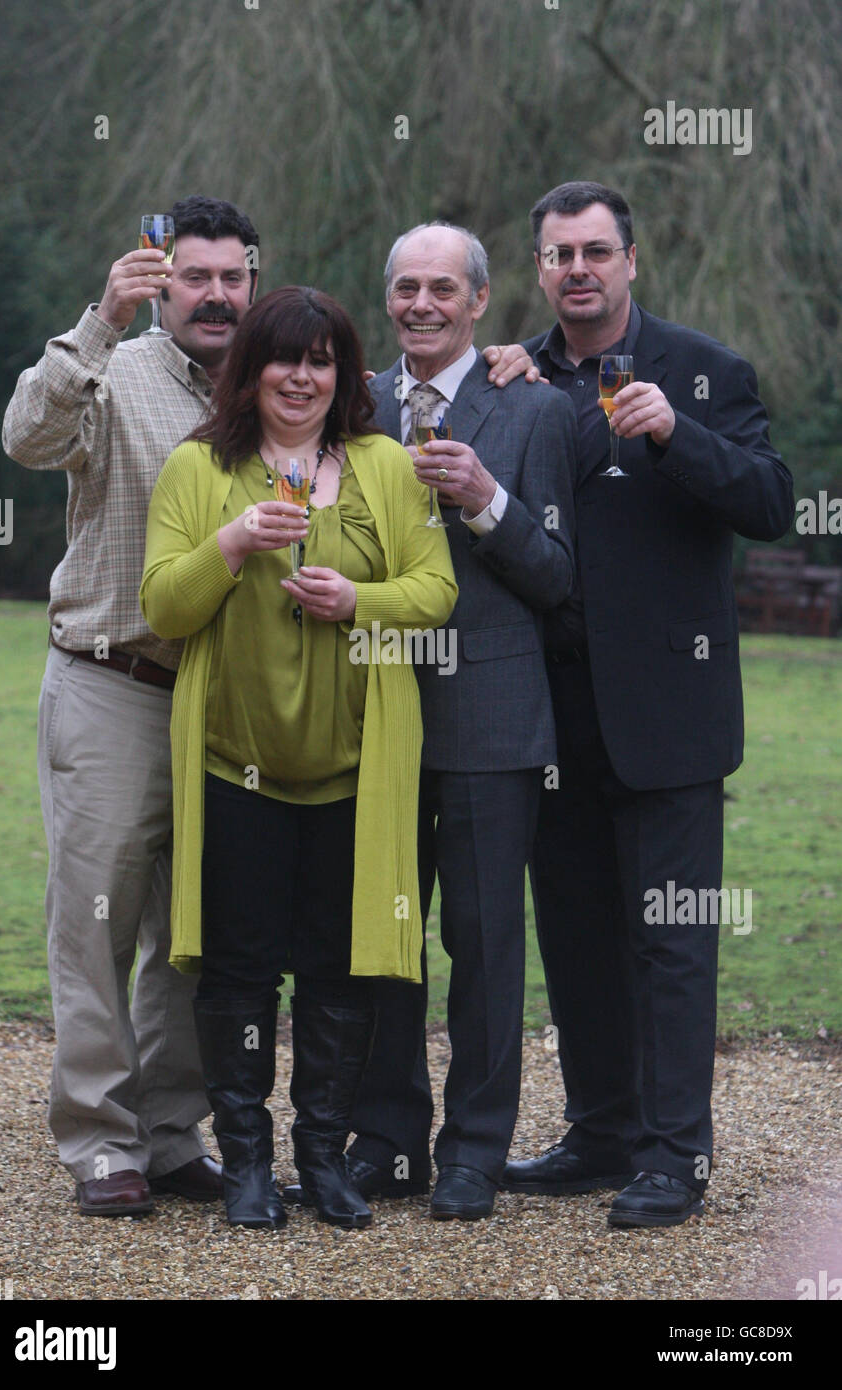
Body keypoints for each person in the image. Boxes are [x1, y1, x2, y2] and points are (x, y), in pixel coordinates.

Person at [492, 181, 794, 1227]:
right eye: (558, 254)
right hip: (552, 712)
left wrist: (677, 435)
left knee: (671, 945)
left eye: (594, 251)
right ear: (538, 269)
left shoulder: (706, 371)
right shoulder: (513, 375)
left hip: (670, 712)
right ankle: (602, 1130)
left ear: (631, 261)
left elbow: (771, 502)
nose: (577, 268)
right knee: (574, 935)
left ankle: (674, 1156)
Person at [139, 285, 458, 1231]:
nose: (302, 376)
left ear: (343, 374)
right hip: (232, 764)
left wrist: (358, 603)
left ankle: (322, 1160)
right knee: (238, 971)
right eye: (285, 358)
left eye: (321, 360)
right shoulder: (201, 468)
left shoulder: (384, 466)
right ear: (252, 368)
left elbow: (434, 588)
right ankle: (244, 1163)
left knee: (336, 968)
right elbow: (162, 607)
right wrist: (233, 544)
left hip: (354, 771)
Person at [1, 195, 259, 1216]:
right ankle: (100, 1139)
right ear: (161, 282)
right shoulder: (114, 369)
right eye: (193, 275)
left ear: (253, 278)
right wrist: (99, 320)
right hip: (112, 681)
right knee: (99, 924)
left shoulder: (271, 383)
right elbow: (27, 434)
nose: (215, 293)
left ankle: (167, 1131)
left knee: (188, 932)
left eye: (232, 276)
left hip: (222, 696)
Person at [341, 222, 577, 1221]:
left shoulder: (536, 410)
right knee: (387, 940)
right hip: (378, 713)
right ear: (387, 298)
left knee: (482, 945)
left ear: (480, 301)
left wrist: (486, 501)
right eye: (405, 288)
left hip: (491, 715)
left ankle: (476, 1149)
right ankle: (388, 1139)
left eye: (443, 288)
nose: (422, 304)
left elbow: (561, 578)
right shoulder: (354, 405)